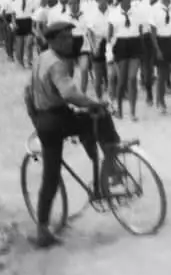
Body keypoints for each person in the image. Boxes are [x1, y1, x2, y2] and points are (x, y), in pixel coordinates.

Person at [25, 19, 121, 248]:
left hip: (45, 120)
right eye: (65, 38)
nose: (70, 41)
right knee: (100, 116)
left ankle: (42, 229)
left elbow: (27, 92)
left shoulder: (41, 58)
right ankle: (109, 164)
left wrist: (36, 119)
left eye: (71, 37)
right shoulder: (57, 64)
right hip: (57, 118)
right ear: (54, 40)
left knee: (51, 173)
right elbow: (69, 94)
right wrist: (93, 103)